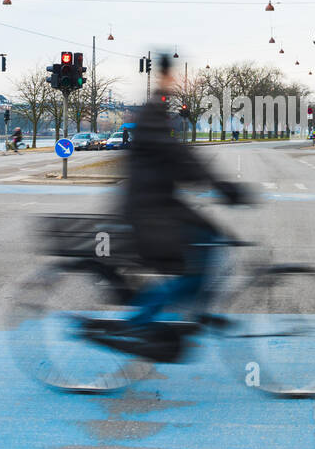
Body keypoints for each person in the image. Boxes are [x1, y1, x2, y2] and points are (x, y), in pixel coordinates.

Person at [94, 54, 248, 361]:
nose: (176, 84)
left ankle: (197, 310)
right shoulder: (154, 114)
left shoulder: (158, 114)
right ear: (163, 78)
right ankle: (139, 323)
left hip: (157, 205)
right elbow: (177, 156)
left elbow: (176, 159)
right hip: (149, 211)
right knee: (196, 264)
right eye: (172, 77)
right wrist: (220, 186)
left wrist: (208, 182)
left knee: (211, 238)